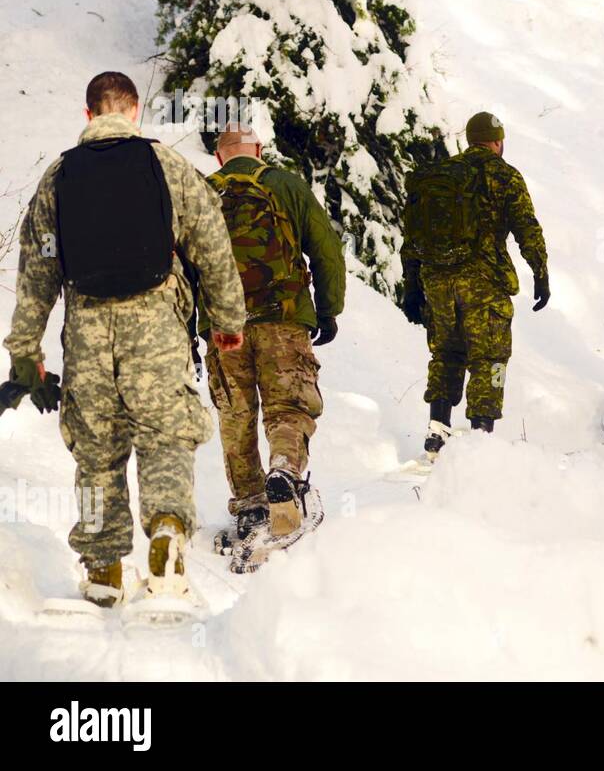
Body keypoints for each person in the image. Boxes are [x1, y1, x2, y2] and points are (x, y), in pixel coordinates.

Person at [2, 72, 245, 608]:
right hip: (155, 327)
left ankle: (103, 570)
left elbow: (38, 270)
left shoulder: (58, 177)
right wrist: (228, 321)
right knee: (165, 439)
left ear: (89, 115)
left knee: (96, 456)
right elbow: (212, 243)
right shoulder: (168, 166)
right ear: (133, 112)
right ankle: (165, 538)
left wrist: (25, 351)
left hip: (87, 334)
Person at [199, 123, 346, 542]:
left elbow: (183, 263)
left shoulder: (203, 192)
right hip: (283, 319)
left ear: (219, 157)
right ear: (259, 149)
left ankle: (249, 507)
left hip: (223, 328)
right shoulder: (285, 184)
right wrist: (328, 309)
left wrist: (195, 328)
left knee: (236, 414)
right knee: (288, 406)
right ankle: (283, 469)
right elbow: (326, 249)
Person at [400, 111, 548, 459]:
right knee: (490, 358)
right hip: (483, 283)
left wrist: (411, 286)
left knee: (446, 353)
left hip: (437, 280)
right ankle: (481, 435)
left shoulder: (440, 177)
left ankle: (437, 431)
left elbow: (412, 236)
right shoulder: (505, 175)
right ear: (497, 141)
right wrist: (540, 272)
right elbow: (527, 227)